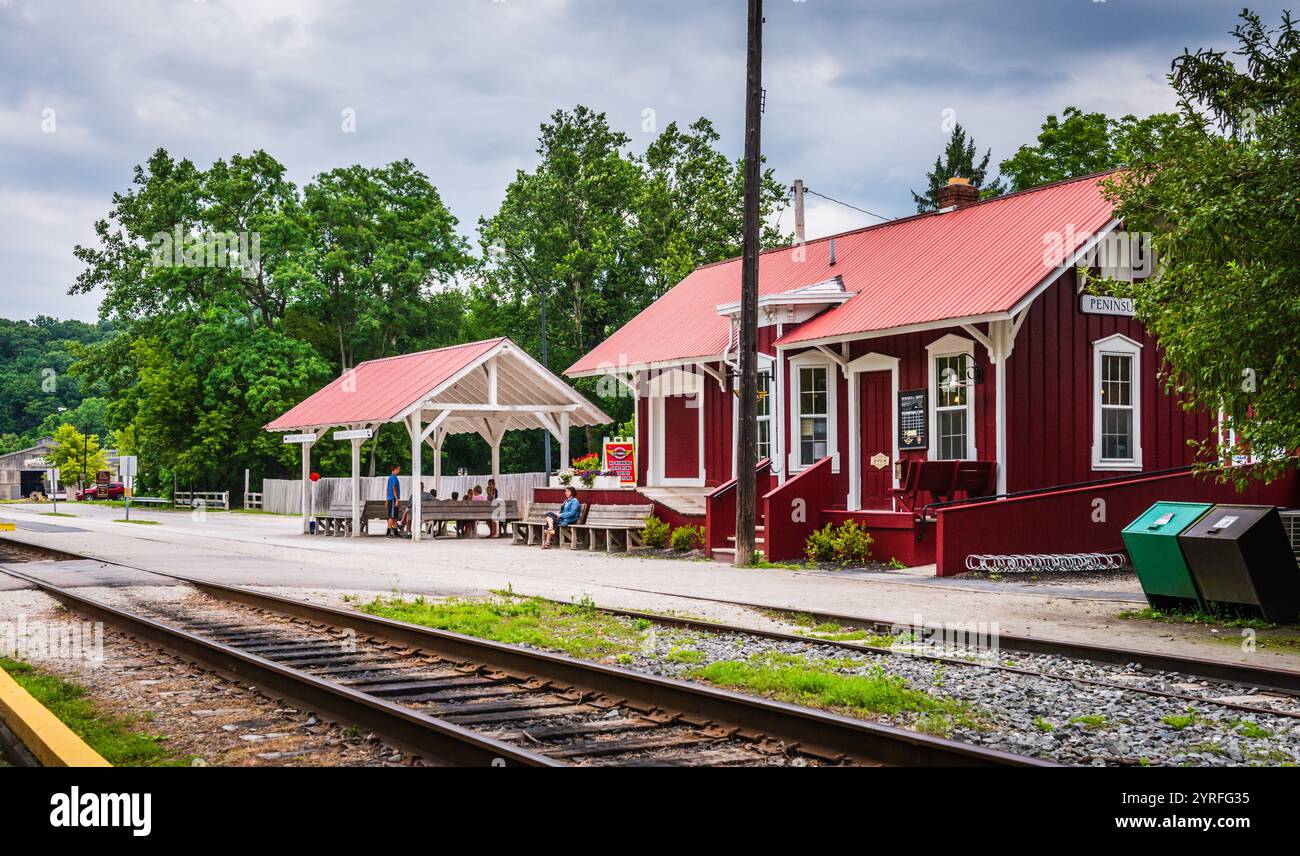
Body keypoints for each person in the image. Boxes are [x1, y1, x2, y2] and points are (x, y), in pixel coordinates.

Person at [385, 464, 402, 538]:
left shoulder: (390, 478)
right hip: (393, 499)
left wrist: (386, 499)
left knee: (394, 517)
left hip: (390, 498)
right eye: (398, 469)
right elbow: (394, 488)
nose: (399, 470)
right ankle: (388, 532)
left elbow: (387, 489)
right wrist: (397, 499)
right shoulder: (393, 478)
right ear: (395, 469)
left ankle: (395, 532)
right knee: (391, 516)